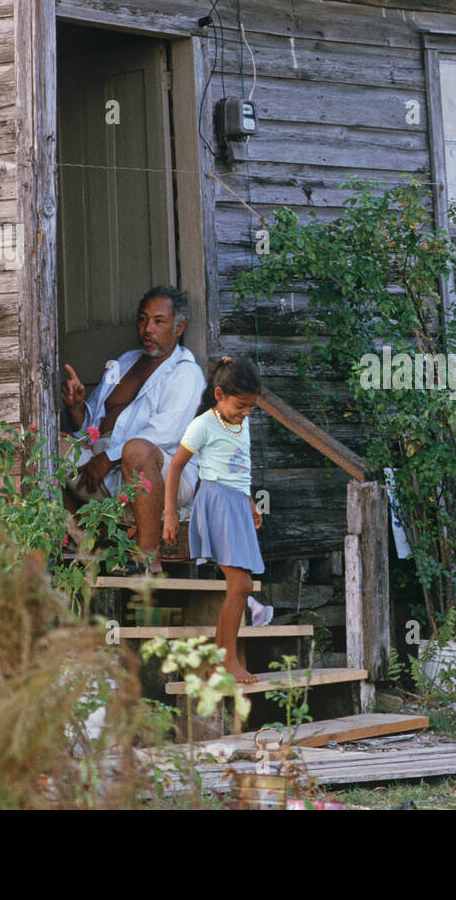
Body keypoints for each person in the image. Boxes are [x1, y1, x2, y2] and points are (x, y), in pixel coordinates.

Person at [61, 286, 203, 571]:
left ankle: (147, 556)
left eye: (158, 321)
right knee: (46, 447)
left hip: (158, 474)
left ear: (179, 328)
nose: (147, 329)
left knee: (137, 450)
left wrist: (108, 457)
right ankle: (85, 542)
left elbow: (165, 433)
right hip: (104, 467)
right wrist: (77, 407)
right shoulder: (123, 362)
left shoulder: (186, 372)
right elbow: (93, 425)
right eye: (142, 319)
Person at [162, 356, 265, 683]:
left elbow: (239, 465)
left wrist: (249, 500)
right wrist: (170, 514)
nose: (246, 412)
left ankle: (222, 660)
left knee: (238, 586)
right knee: (241, 584)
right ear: (219, 395)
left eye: (251, 407)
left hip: (236, 503)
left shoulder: (241, 421)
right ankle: (228, 661)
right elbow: (175, 467)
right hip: (216, 502)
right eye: (241, 405)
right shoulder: (203, 424)